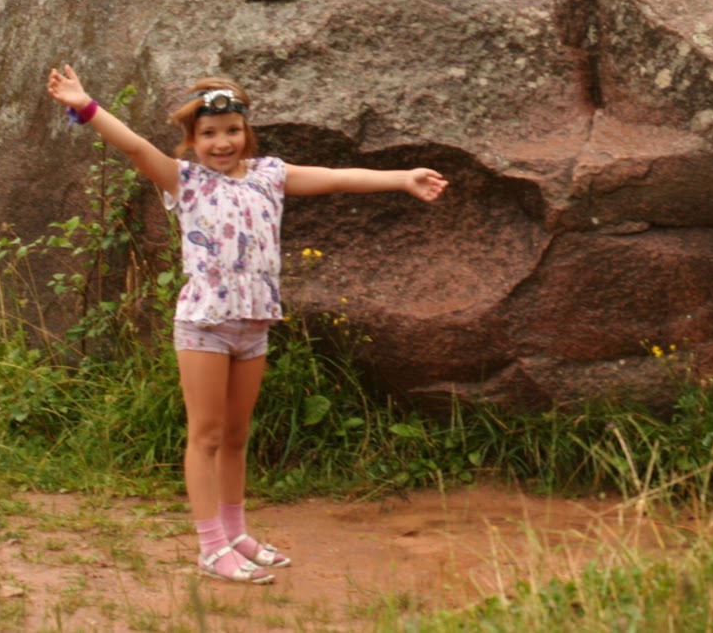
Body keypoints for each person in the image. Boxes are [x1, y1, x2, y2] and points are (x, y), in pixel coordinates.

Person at [46, 65, 449, 583]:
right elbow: (135, 146)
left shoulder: (269, 175)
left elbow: (335, 177)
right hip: (205, 326)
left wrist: (402, 178)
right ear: (192, 140)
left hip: (254, 326)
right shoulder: (184, 180)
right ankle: (211, 547)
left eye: (232, 130)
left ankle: (236, 535)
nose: (223, 143)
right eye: (209, 134)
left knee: (236, 435)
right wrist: (85, 105)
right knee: (207, 435)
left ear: (246, 132)